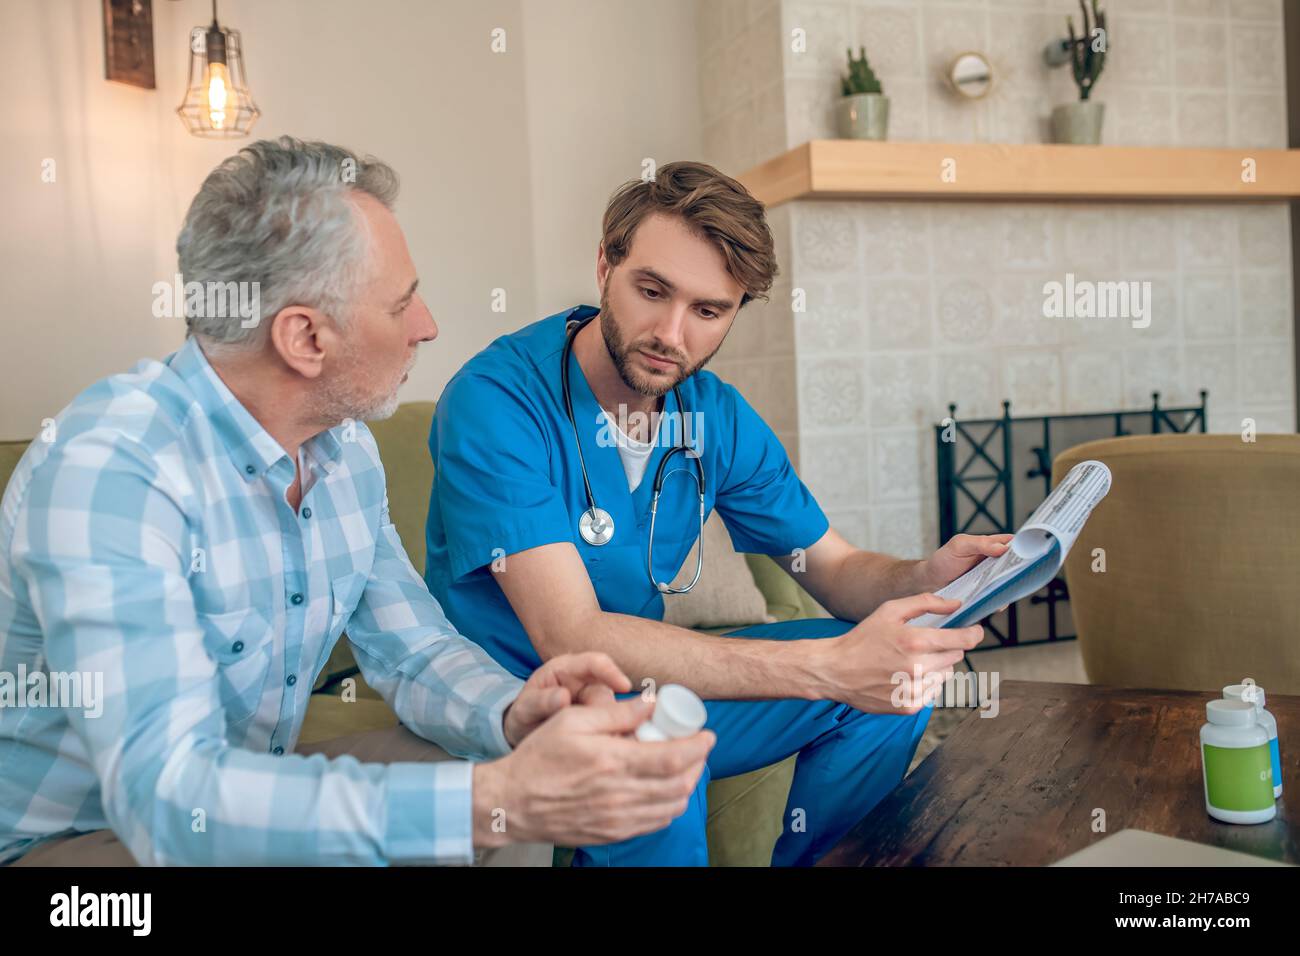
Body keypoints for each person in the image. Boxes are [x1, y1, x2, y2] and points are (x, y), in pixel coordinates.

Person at [0, 137, 713, 867]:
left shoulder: (344, 452)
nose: (427, 326)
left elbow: (413, 650)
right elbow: (172, 800)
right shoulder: (112, 471)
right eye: (402, 303)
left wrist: (511, 712)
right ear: (305, 337)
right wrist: (483, 801)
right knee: (487, 806)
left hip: (251, 781)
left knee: (506, 818)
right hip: (75, 841)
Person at [423, 161, 1012, 866]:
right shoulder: (496, 401)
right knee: (657, 749)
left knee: (891, 685)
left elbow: (834, 566)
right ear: (605, 263)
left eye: (708, 311)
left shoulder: (713, 416)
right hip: (518, 703)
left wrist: (927, 574)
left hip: (636, 690)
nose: (672, 333)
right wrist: (826, 666)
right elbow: (570, 635)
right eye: (652, 291)